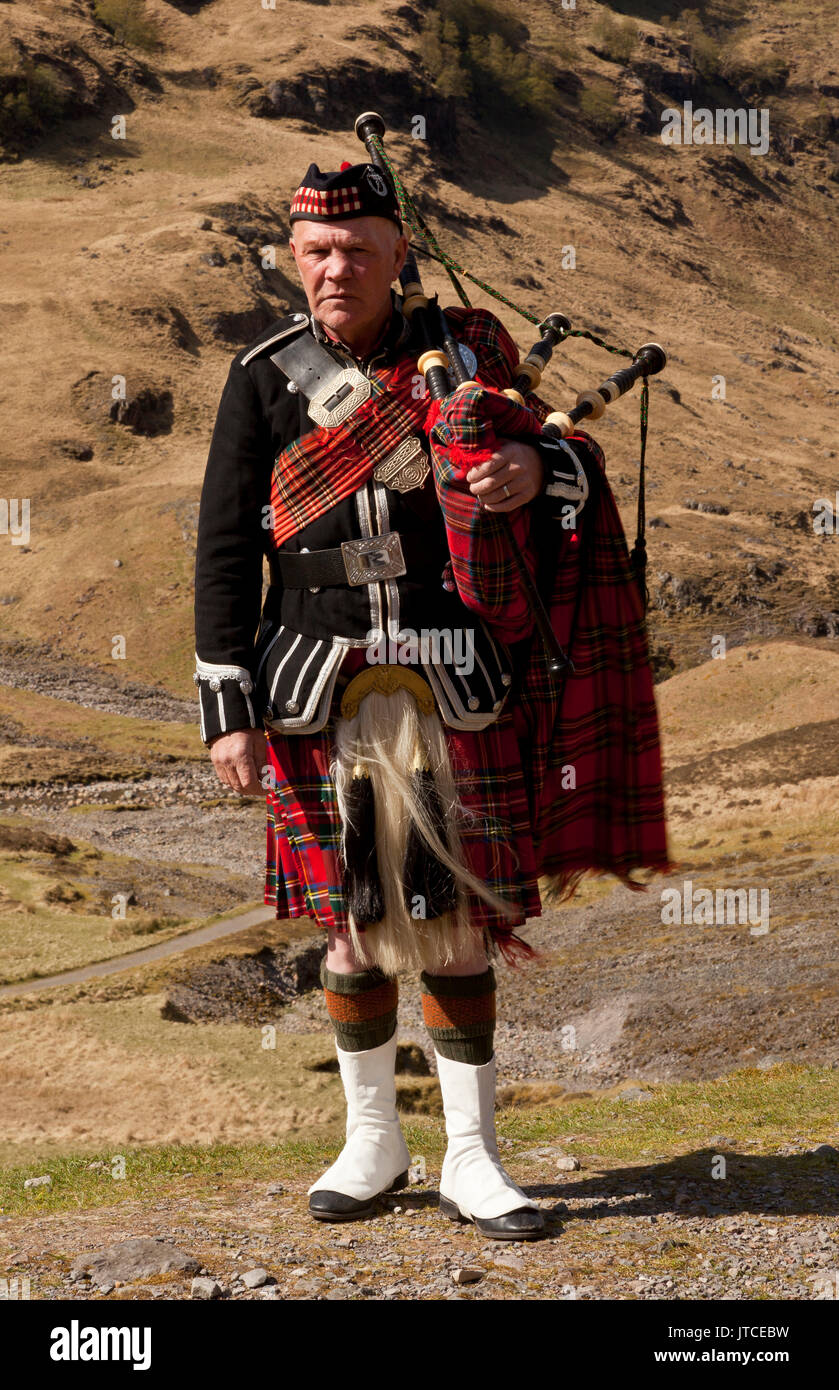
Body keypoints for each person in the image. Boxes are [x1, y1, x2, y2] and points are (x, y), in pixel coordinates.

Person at [193, 159, 670, 1240]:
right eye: (315, 251)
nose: (334, 268)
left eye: (357, 248)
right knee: (349, 929)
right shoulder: (264, 375)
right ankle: (372, 1142)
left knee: (453, 928)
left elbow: (568, 472)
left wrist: (519, 465)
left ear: (397, 252)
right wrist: (226, 705)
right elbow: (224, 547)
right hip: (313, 678)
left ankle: (470, 1158)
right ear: (292, 258)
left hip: (458, 670)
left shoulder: (463, 357)